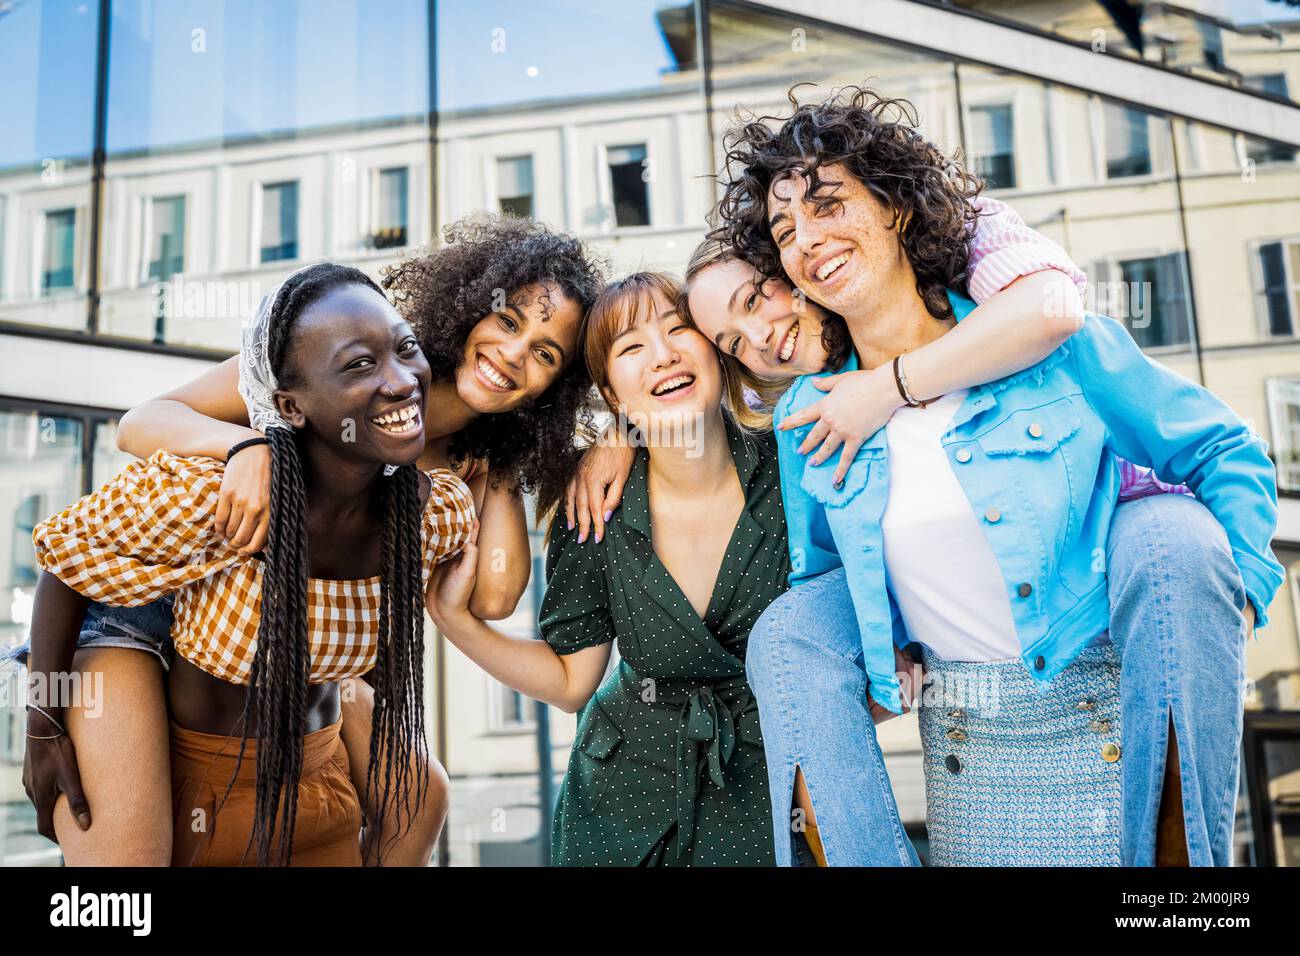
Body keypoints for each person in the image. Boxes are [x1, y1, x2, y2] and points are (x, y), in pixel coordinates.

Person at [709, 86, 1282, 865]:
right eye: (785, 230)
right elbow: (830, 578)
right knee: (789, 627)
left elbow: (1226, 453)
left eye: (829, 205)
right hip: (970, 745)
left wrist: (1234, 602)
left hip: (1117, 718)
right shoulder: (807, 415)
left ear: (896, 209)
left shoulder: (1043, 346)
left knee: (1175, 534)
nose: (807, 238)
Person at [12, 216, 608, 865]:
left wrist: (565, 448)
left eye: (547, 354)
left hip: (284, 629)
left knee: (422, 796)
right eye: (511, 320)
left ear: (556, 386)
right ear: (469, 301)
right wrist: (248, 446)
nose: (518, 353)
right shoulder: (339, 353)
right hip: (142, 610)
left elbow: (493, 594)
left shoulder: (462, 468)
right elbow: (140, 423)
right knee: (132, 848)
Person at [427, 272, 785, 865]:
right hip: (621, 809)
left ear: (719, 350)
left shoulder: (792, 466)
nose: (663, 355)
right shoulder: (591, 504)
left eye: (679, 331)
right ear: (612, 393)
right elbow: (572, 684)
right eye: (631, 348)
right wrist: (456, 621)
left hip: (773, 786)